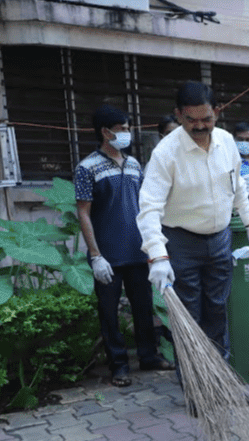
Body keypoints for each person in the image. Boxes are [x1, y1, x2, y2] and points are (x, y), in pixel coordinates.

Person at [137, 81, 249, 359]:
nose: (199, 127)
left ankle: (221, 381)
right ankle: (196, 390)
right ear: (179, 115)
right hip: (181, 243)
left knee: (218, 311)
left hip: (220, 239)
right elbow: (148, 208)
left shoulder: (227, 141)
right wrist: (158, 257)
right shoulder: (165, 153)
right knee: (188, 318)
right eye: (190, 120)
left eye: (206, 119)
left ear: (217, 112)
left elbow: (237, 186)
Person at [75, 104, 174, 387]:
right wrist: (95, 256)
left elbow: (145, 205)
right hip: (107, 254)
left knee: (143, 307)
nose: (128, 134)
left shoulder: (134, 165)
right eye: (123, 129)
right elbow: (83, 211)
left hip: (137, 251)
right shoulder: (87, 168)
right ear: (105, 132)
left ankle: (148, 356)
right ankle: (118, 365)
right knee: (109, 312)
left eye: (128, 128)